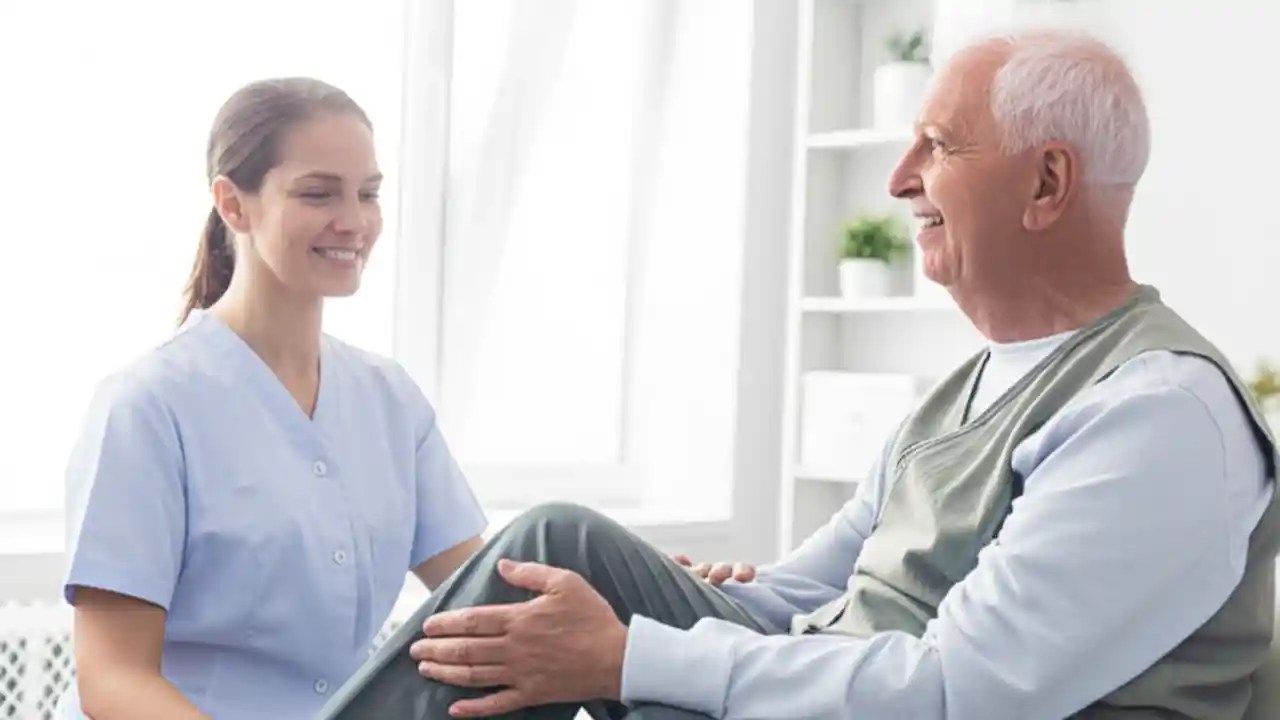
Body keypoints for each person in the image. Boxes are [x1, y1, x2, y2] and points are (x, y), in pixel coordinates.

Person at [317, 29, 1279, 720]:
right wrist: (676, 602)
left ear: (1046, 185)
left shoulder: (1158, 414)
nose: (900, 179)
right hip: (847, 688)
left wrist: (629, 656)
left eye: (937, 147)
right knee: (560, 545)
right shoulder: (966, 390)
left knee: (604, 651)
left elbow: (964, 692)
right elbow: (800, 592)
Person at [59, 78, 487, 720]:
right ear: (233, 205)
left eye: (368, 193)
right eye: (318, 193)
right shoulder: (149, 405)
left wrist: (624, 606)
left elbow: (491, 597)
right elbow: (113, 679)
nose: (356, 220)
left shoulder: (389, 400)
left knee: (560, 541)